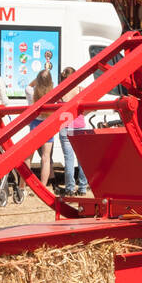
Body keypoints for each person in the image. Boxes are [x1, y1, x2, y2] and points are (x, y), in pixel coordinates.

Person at [57, 66, 90, 196]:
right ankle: (82, 187)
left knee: (68, 160)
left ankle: (70, 188)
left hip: (65, 126)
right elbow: (90, 107)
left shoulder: (60, 92)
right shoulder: (81, 90)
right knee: (83, 159)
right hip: (79, 126)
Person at [26, 68, 55, 187]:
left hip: (34, 124)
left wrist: (37, 81)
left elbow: (29, 85)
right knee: (46, 158)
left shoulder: (30, 92)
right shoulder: (54, 94)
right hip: (48, 125)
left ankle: (23, 186)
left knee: (28, 156)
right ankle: (43, 186)